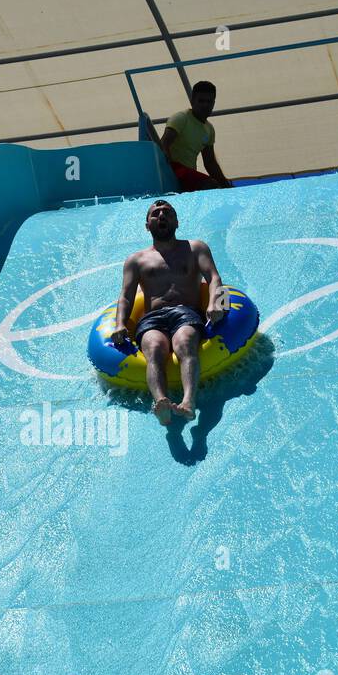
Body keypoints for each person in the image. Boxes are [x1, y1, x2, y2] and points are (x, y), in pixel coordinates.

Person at [111, 200, 227, 425]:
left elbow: (214, 278)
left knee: (184, 342)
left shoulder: (195, 248)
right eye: (156, 214)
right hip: (153, 318)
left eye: (167, 213)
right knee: (154, 348)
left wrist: (215, 303)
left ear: (176, 221)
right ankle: (161, 402)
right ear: (147, 225)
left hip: (186, 312)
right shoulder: (136, 260)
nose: (161, 216)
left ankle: (188, 401)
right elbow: (126, 296)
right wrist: (120, 324)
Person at [159, 81, 233, 191]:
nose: (205, 105)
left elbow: (210, 162)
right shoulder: (181, 118)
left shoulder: (209, 129)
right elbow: (163, 144)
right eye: (201, 101)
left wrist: (227, 186)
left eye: (209, 102)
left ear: (213, 103)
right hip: (174, 170)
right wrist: (169, 174)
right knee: (209, 185)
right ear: (192, 101)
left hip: (189, 175)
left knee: (218, 187)